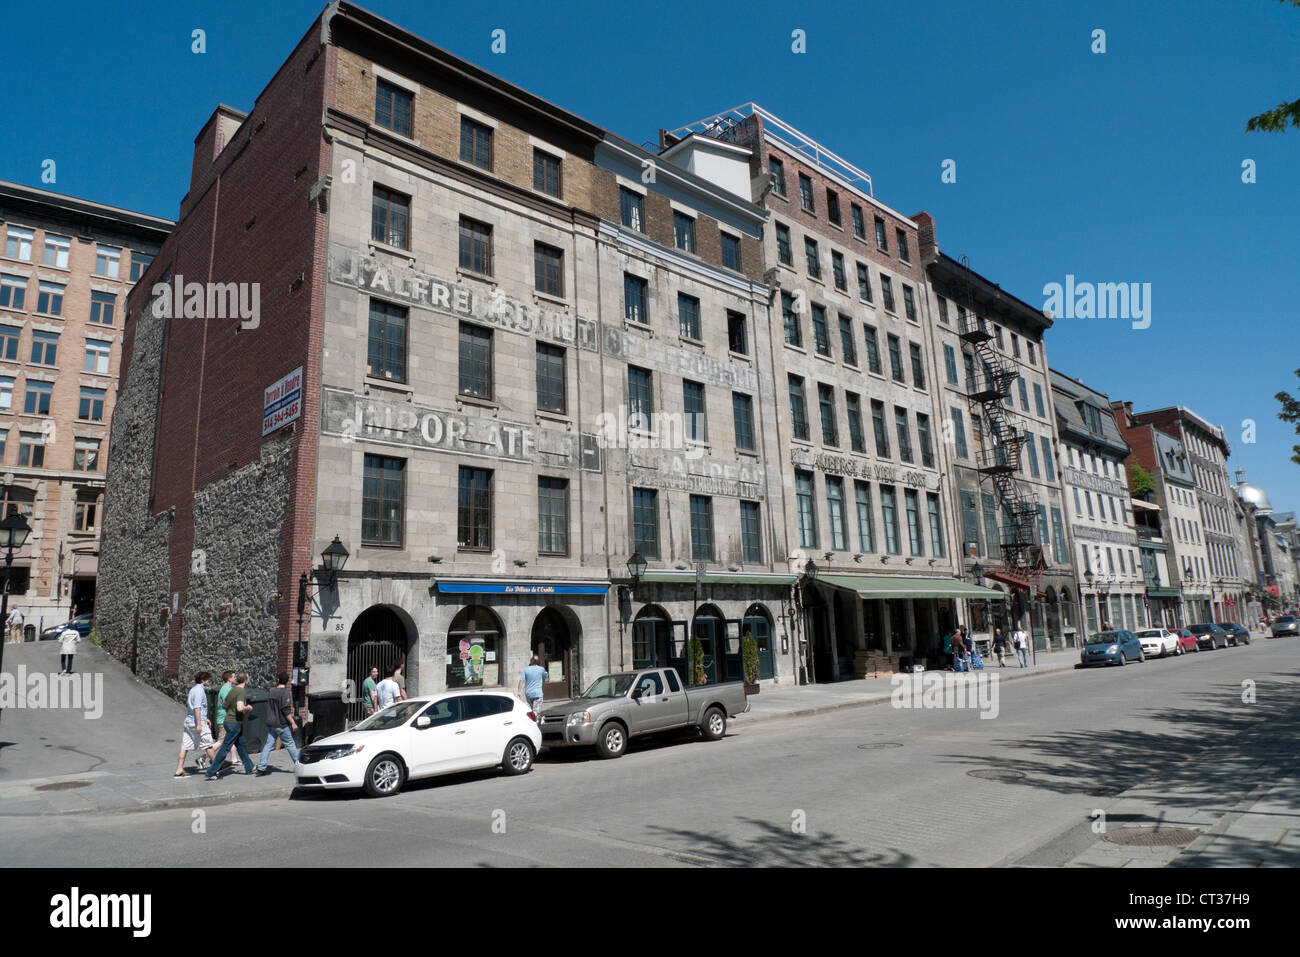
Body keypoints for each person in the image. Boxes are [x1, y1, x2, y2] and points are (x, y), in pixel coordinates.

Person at [205, 673, 254, 779]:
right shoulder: (241, 691)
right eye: (248, 678)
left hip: (229, 721)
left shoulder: (233, 690)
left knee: (240, 746)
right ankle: (211, 772)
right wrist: (248, 707)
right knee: (225, 748)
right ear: (246, 680)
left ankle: (249, 767)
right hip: (234, 723)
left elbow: (224, 704)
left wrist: (231, 710)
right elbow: (240, 708)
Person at [255, 673, 300, 776]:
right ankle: (299, 766)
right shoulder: (285, 694)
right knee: (290, 745)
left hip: (272, 724)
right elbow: (286, 711)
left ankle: (261, 768)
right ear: (287, 681)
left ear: (278, 680)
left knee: (268, 745)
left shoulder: (271, 692)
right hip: (282, 724)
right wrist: (293, 723)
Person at [175, 672, 216, 777]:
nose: (209, 681)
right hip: (197, 721)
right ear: (202, 680)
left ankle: (179, 769)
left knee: (185, 746)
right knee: (208, 745)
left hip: (189, 722)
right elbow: (197, 707)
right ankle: (215, 768)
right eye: (208, 680)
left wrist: (205, 718)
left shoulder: (193, 689)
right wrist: (199, 723)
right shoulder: (199, 691)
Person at [213, 671, 235, 751]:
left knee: (232, 739)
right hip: (224, 719)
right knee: (221, 741)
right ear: (229, 679)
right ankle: (203, 757)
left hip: (227, 718)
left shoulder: (229, 688)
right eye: (233, 677)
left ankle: (234, 759)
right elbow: (226, 703)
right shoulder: (226, 689)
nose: (235, 678)